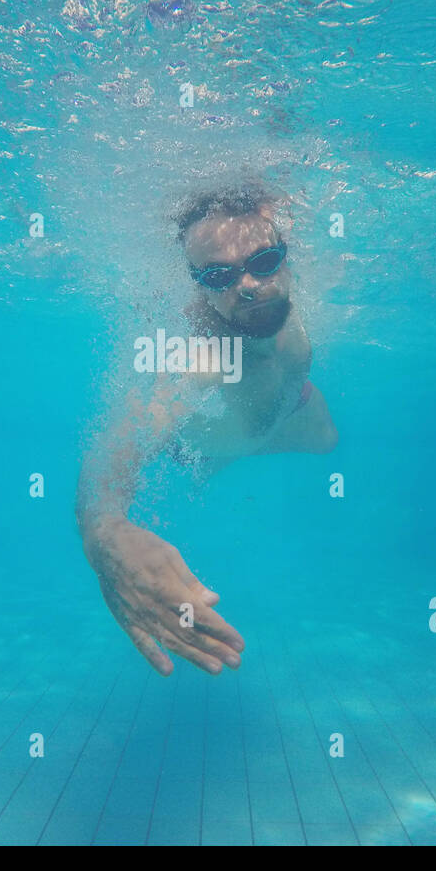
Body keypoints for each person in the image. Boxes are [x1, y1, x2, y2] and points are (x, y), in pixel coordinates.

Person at [75, 181, 339, 676]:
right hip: (210, 441)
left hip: (289, 408)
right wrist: (103, 530)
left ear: (286, 254)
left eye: (263, 262)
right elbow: (120, 439)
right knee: (219, 459)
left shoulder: (284, 290)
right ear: (198, 286)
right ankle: (214, 457)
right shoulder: (200, 362)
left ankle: (245, 441)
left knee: (328, 441)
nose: (248, 286)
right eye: (219, 275)